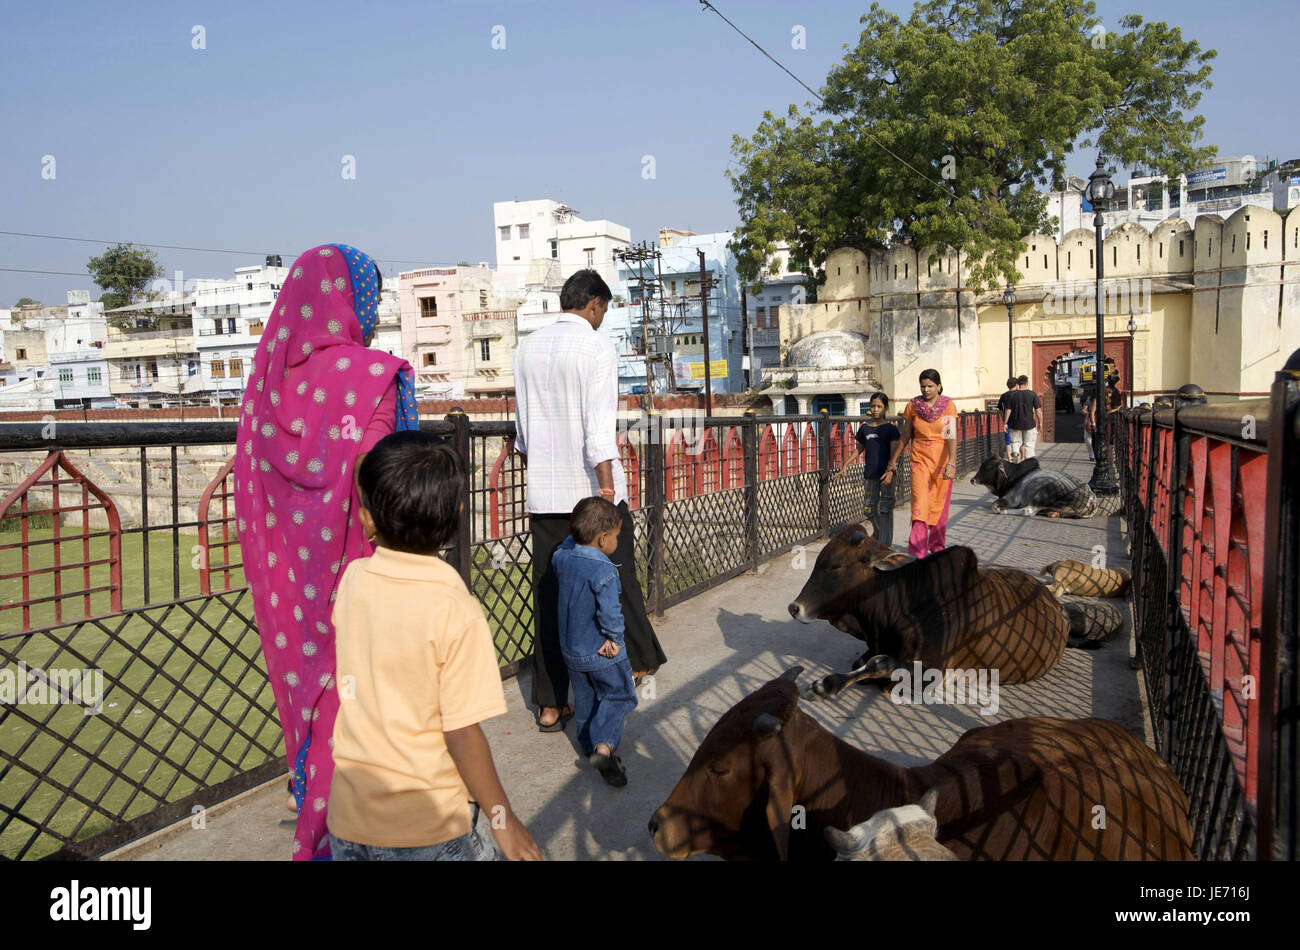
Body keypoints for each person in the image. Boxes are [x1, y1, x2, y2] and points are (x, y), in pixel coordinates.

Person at [233, 243, 420, 860]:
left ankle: (314, 802)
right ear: (352, 299)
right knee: (363, 701)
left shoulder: (267, 389)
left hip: (291, 576)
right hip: (366, 574)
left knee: (316, 694)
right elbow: (384, 472)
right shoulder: (371, 376)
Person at [328, 432, 542, 861]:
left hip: (350, 821)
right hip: (430, 828)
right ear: (459, 512)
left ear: (367, 520)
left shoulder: (353, 581)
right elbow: (462, 733)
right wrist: (504, 821)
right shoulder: (455, 610)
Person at [513, 269, 667, 733]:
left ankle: (550, 703)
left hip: (545, 491)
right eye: (604, 309)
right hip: (590, 494)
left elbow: (522, 431)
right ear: (595, 304)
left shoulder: (527, 348)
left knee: (550, 594)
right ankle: (630, 666)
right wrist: (606, 490)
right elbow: (598, 430)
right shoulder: (597, 346)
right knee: (616, 579)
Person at [552, 497, 638, 787]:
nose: (617, 541)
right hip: (602, 650)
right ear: (603, 538)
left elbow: (568, 543)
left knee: (586, 699)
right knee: (618, 694)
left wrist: (578, 531)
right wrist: (614, 638)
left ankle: (589, 748)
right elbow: (610, 611)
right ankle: (604, 748)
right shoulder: (604, 569)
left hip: (571, 651)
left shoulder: (562, 558)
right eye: (615, 536)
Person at [884, 369, 958, 559]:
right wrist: (893, 461)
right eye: (923, 386)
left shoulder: (948, 405)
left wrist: (952, 462)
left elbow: (951, 436)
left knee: (939, 504)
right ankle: (917, 549)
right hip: (919, 460)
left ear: (939, 387)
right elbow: (906, 435)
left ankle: (937, 545)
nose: (926, 390)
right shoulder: (913, 406)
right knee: (920, 502)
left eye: (930, 386)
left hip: (941, 461)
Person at [834, 392, 899, 548]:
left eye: (879, 406)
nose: (875, 409)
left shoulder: (891, 429)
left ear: (885, 408)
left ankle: (885, 543)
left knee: (885, 509)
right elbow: (859, 449)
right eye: (873, 406)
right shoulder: (864, 428)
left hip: (886, 474)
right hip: (870, 474)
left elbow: (894, 452)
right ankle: (878, 532)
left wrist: (891, 470)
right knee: (868, 508)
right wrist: (845, 465)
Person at [1003, 375, 1042, 461]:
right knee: (1029, 445)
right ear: (1027, 383)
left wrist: (1005, 423)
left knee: (1015, 442)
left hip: (1015, 424)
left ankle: (1015, 454)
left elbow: (1008, 410)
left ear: (1018, 384)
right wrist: (1040, 423)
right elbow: (1038, 410)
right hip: (1029, 424)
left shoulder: (1012, 395)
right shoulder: (1032, 394)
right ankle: (1029, 463)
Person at [997, 377, 1018, 460]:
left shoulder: (1004, 396)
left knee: (1008, 441)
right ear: (1016, 385)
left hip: (1008, 421)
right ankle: (1019, 456)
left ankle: (1010, 458)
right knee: (1019, 440)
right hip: (1019, 420)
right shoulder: (1019, 394)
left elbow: (1000, 408)